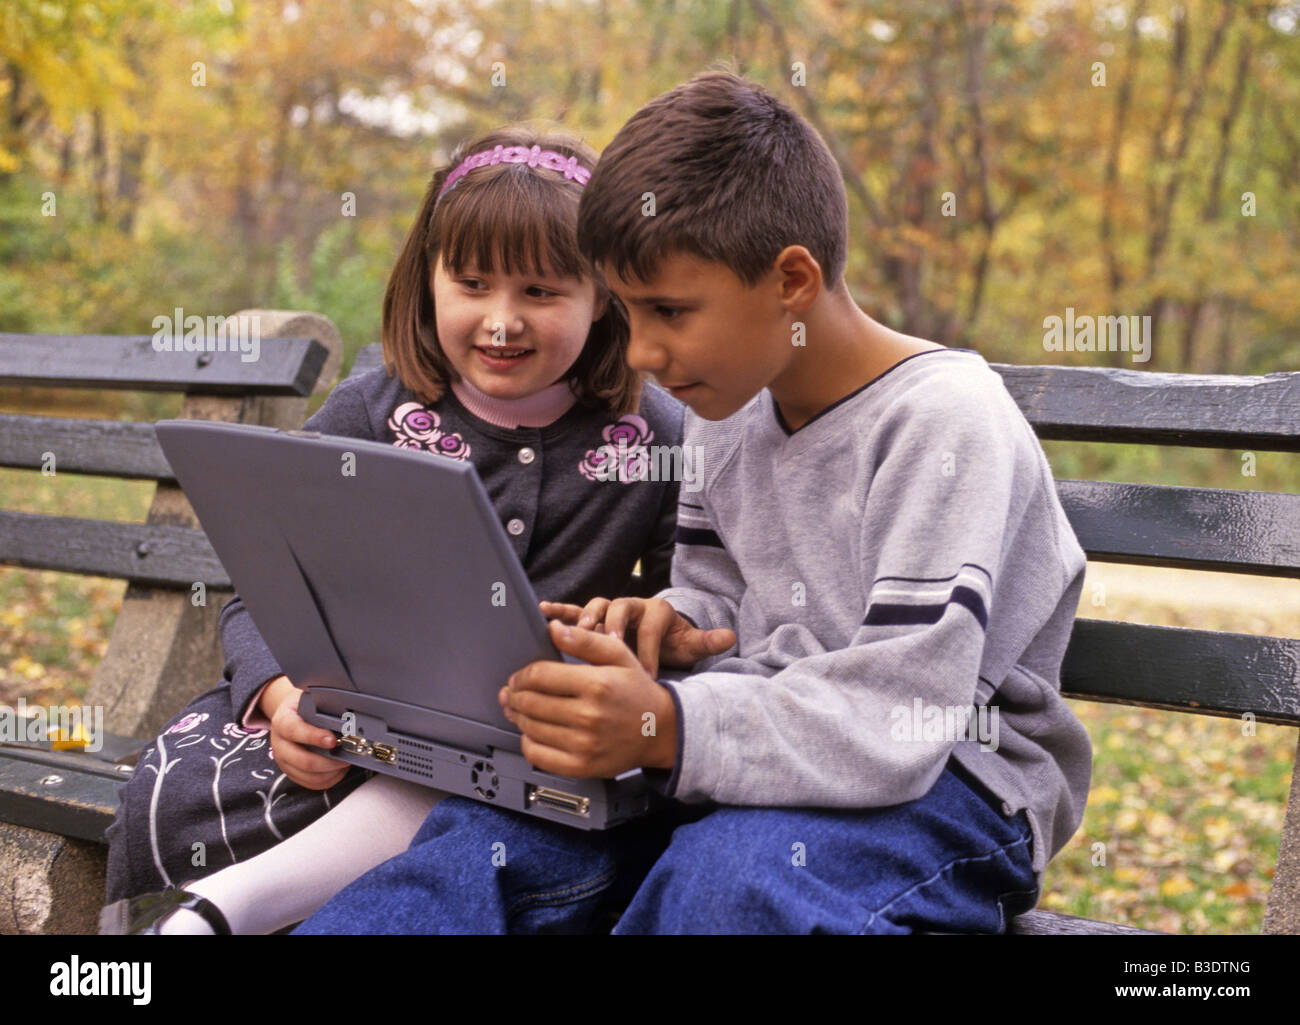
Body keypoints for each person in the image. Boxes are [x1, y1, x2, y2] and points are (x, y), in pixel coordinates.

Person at [290, 69, 1093, 935]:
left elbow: (903, 713)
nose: (640, 351)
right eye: (628, 313)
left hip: (950, 781)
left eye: (669, 310)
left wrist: (665, 722)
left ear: (791, 280)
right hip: (741, 751)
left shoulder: (942, 423)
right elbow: (719, 597)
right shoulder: (733, 405)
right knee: (488, 835)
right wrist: (667, 624)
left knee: (726, 885)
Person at [99, 125, 702, 934]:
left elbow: (687, 596)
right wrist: (281, 697)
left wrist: (650, 632)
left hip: (528, 751)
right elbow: (262, 595)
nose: (501, 320)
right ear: (429, 281)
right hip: (349, 727)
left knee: (488, 792)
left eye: (541, 291)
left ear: (602, 298)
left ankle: (217, 917)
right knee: (203, 788)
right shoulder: (371, 411)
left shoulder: (656, 435)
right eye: (474, 282)